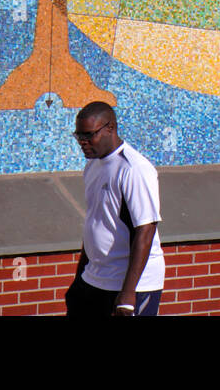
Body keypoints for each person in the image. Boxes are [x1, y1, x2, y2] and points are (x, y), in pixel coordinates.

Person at [64, 102, 166, 316]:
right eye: (78, 136)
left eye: (89, 135)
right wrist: (79, 278)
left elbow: (146, 231)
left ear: (110, 128)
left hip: (131, 285)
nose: (83, 142)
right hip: (95, 279)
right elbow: (96, 225)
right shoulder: (93, 166)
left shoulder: (134, 169)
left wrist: (128, 295)